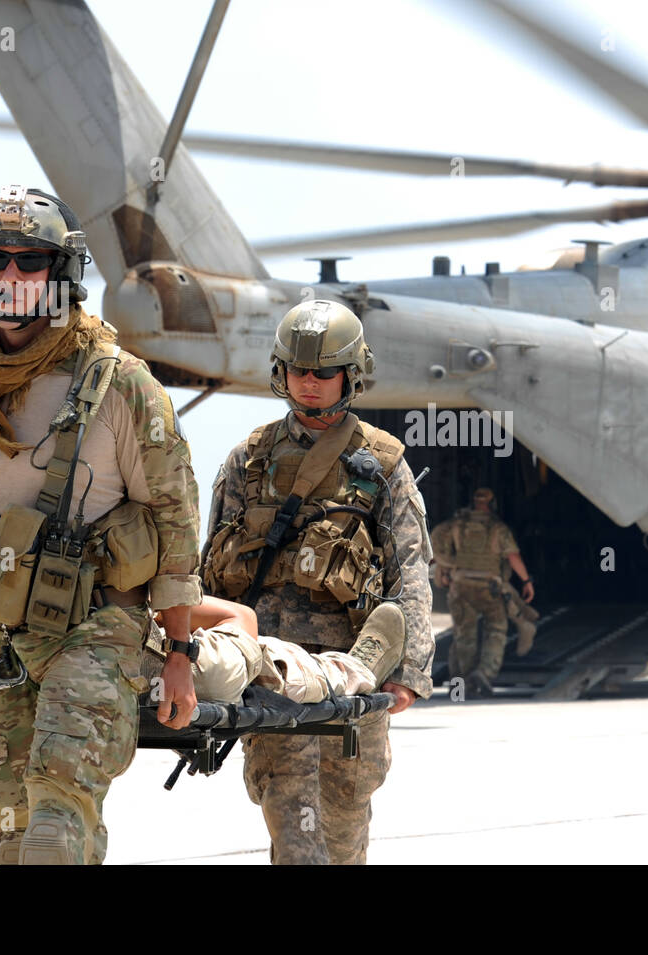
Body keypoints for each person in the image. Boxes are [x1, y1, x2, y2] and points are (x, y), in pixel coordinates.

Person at [0, 185, 202, 865]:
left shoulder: (120, 385)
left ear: (62, 275)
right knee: (14, 832)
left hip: (96, 626)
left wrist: (181, 656)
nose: (11, 274)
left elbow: (174, 524)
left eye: (32, 260)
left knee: (57, 815)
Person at [201, 299, 433, 865]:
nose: (310, 382)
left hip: (353, 678)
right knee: (296, 838)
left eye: (324, 371)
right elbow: (207, 574)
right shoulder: (246, 462)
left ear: (350, 375)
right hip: (272, 677)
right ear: (281, 372)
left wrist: (407, 673)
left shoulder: (380, 465)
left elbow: (410, 573)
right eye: (300, 370)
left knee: (345, 828)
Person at [141, 595, 406, 704]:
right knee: (253, 658)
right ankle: (350, 672)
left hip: (131, 653)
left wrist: (410, 675)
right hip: (148, 656)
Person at [431, 487, 535, 696]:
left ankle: (462, 681)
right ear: (493, 503)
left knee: (463, 635)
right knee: (496, 630)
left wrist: (449, 565)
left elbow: (434, 543)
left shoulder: (457, 525)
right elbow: (513, 557)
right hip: (490, 587)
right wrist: (527, 580)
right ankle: (483, 673)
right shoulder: (498, 528)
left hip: (460, 585)